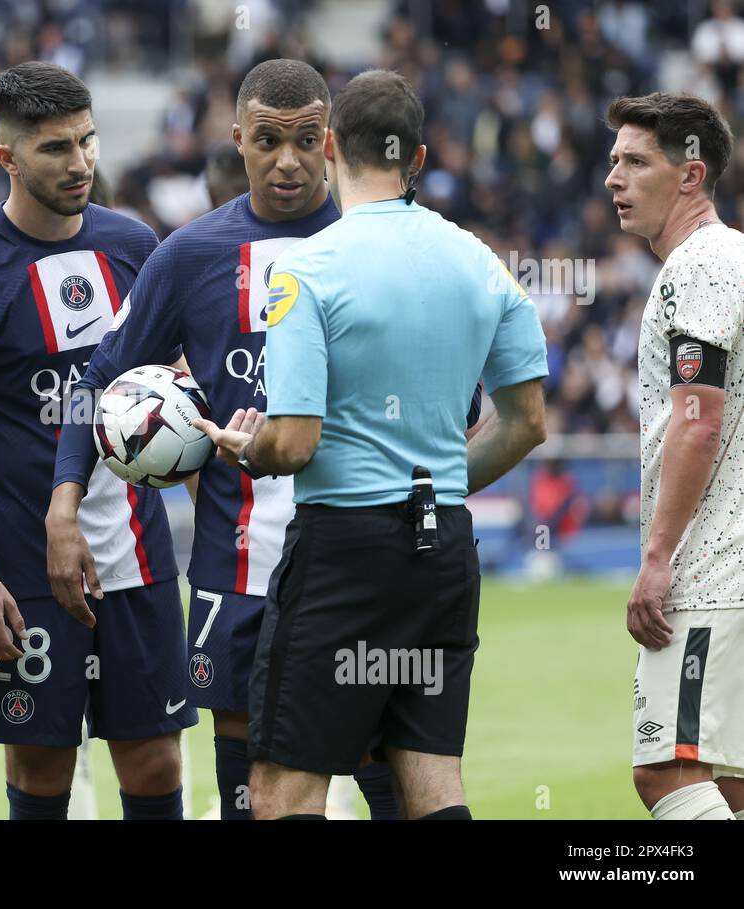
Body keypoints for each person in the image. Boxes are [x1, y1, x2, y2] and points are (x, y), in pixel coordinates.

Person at [49, 59, 459, 820]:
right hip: (236, 569)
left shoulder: (380, 246)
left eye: (307, 139)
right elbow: (96, 378)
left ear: (331, 142)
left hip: (360, 557)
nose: (289, 159)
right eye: (268, 140)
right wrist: (63, 504)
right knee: (252, 781)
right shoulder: (191, 255)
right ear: (237, 139)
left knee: (385, 767)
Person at [195, 69, 548, 820]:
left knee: (282, 788)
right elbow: (527, 421)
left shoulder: (307, 269)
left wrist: (244, 447)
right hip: (444, 547)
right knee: (430, 781)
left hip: (344, 552)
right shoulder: (481, 262)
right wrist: (441, 479)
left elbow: (292, 443)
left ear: (327, 146)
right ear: (417, 157)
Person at [0, 61, 196, 821]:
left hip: (136, 558)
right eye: (55, 149)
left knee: (154, 756)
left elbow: (176, 386)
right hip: (23, 569)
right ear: (6, 157)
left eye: (87, 142)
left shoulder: (135, 245)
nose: (79, 163)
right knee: (41, 766)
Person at [605, 90, 744, 821]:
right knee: (728, 783)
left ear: (690, 174)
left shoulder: (703, 263)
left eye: (634, 161)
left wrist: (658, 557)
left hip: (712, 572)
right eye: (613, 161)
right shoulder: (731, 260)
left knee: (666, 771)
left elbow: (699, 420)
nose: (613, 178)